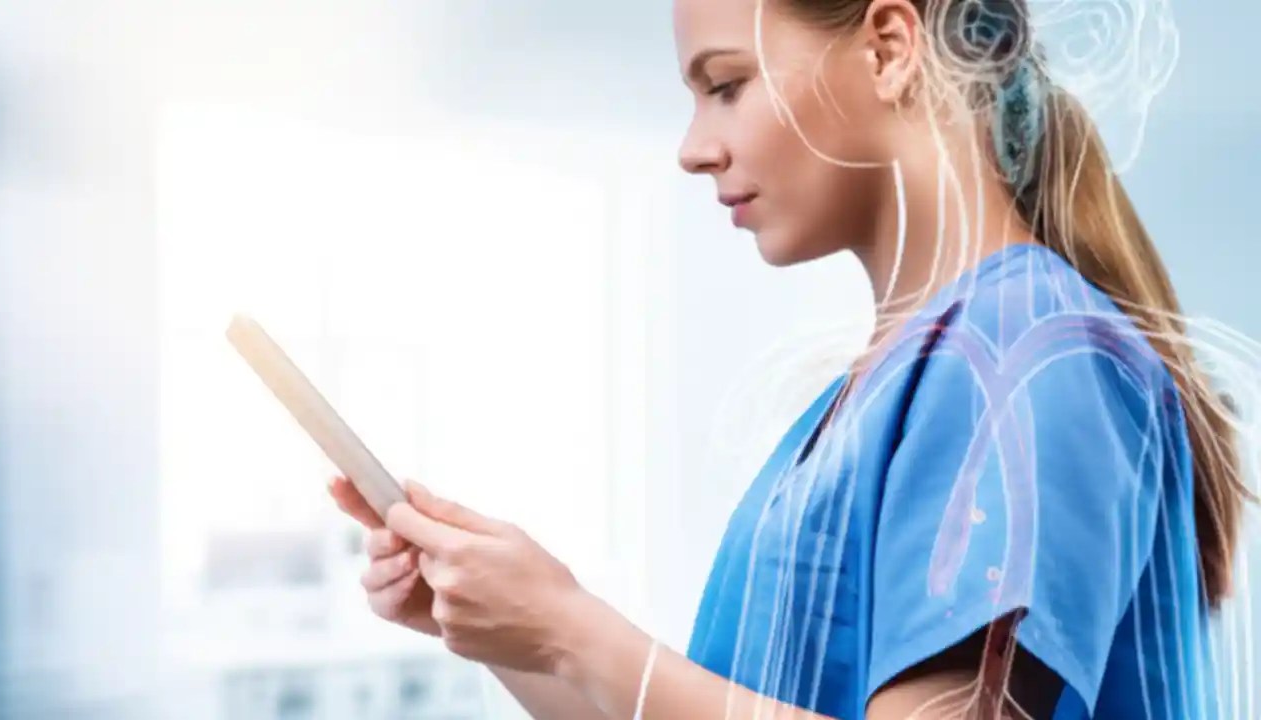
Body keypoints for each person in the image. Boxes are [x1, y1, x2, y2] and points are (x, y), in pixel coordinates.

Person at [329, 0, 1251, 717]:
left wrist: (571, 629)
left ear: (889, 47)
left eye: (725, 85)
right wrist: (511, 634)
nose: (695, 149)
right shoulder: (882, 391)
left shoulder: (1033, 360)